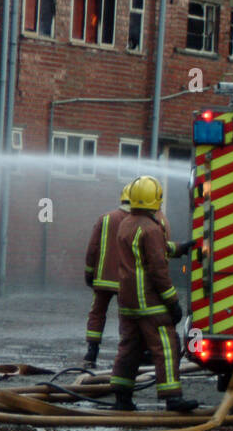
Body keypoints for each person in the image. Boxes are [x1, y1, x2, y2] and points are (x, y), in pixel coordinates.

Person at [110, 175, 199, 412]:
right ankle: (173, 398)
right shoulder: (151, 228)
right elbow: (158, 269)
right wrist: (173, 302)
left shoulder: (126, 224)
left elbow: (153, 249)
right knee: (167, 346)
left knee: (129, 347)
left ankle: (122, 397)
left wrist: (180, 248)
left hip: (128, 302)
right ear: (156, 200)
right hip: (149, 302)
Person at [82, 184, 130, 366]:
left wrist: (89, 273)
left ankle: (91, 351)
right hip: (127, 281)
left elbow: (92, 248)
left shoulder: (106, 219)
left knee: (97, 313)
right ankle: (125, 353)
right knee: (126, 316)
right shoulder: (137, 221)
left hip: (102, 278)